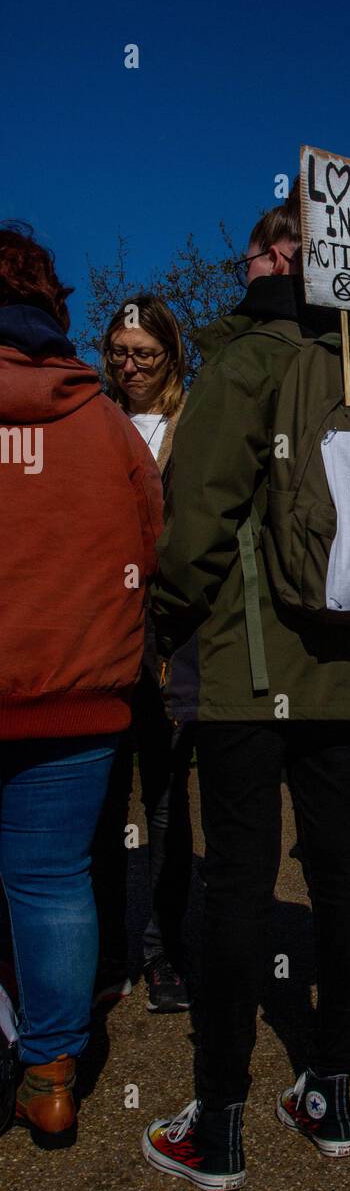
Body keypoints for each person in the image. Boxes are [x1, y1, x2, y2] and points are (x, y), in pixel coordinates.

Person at [142, 184, 350, 1190]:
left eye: (256, 252)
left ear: (283, 260)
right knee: (341, 869)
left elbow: (197, 522)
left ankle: (217, 1120)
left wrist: (164, 615)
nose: (246, 267)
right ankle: (330, 1089)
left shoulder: (246, 361)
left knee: (239, 878)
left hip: (252, 667)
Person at [0, 223, 162, 1140]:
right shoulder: (107, 425)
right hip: (78, 691)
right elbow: (151, 541)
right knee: (55, 879)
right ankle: (52, 1076)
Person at [90, 295, 195, 1013]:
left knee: (164, 801)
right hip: (99, 632)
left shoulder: (193, 427)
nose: (130, 367)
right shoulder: (92, 421)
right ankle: (104, 955)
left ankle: (163, 952)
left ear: (171, 356)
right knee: (100, 800)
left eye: (144, 355)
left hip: (169, 636)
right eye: (119, 353)